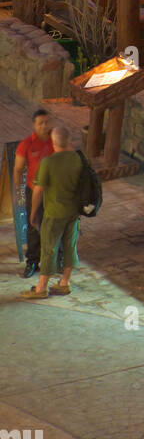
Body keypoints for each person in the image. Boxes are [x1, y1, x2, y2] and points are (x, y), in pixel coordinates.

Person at [18, 126, 81, 301]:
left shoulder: (48, 162)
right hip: (73, 212)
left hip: (54, 213)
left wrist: (33, 213)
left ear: (53, 143)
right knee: (69, 246)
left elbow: (38, 190)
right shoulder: (77, 159)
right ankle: (64, 283)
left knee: (49, 249)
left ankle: (41, 288)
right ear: (69, 141)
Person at [13, 109, 54, 277]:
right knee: (33, 225)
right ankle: (32, 262)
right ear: (34, 125)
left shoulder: (56, 140)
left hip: (55, 192)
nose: (44, 126)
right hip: (34, 191)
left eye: (47, 122)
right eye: (40, 123)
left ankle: (53, 260)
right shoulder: (26, 145)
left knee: (54, 226)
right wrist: (18, 192)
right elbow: (17, 170)